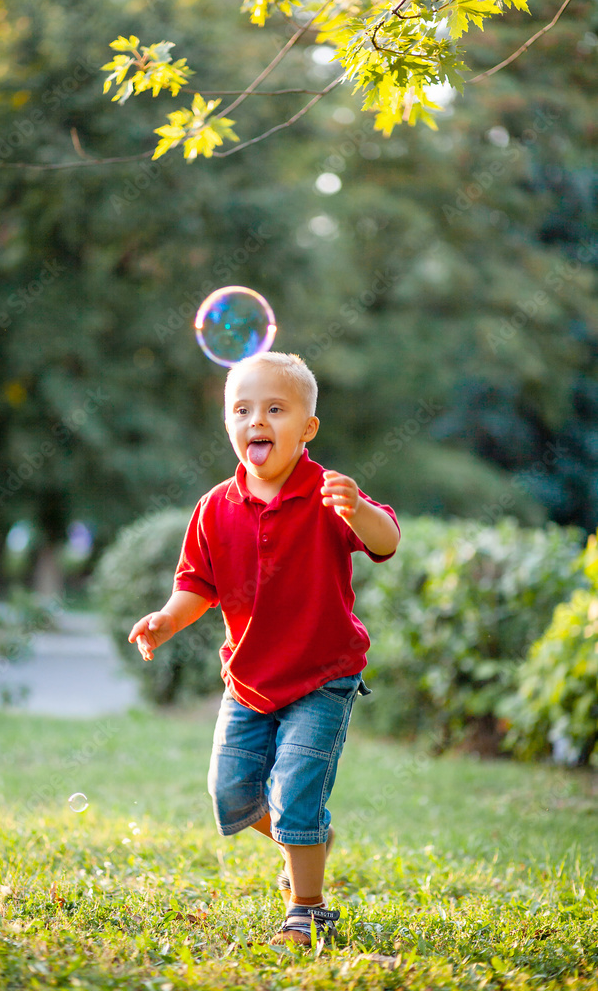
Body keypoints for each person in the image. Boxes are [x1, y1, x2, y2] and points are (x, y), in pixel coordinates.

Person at [128, 351, 400, 947]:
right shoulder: (213, 508)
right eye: (243, 410)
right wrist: (166, 621)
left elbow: (387, 538)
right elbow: (196, 586)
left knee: (296, 793)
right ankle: (307, 841)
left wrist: (361, 510)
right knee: (231, 793)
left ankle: (306, 908)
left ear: (307, 428)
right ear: (227, 423)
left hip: (322, 678)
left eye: (276, 409)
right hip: (249, 681)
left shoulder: (329, 495)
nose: (258, 421)